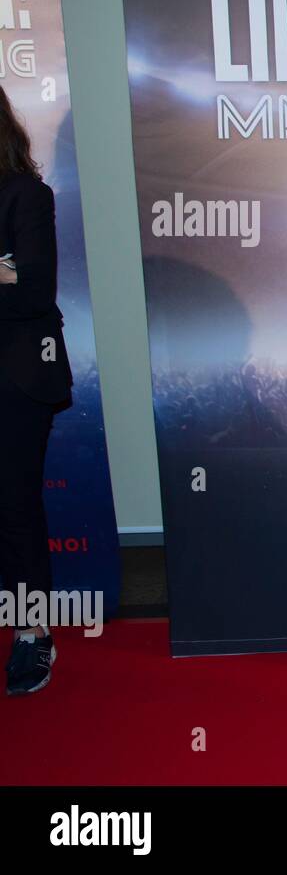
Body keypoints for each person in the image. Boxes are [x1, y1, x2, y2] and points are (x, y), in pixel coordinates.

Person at [0, 84, 73, 695]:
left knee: (13, 509)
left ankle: (32, 634)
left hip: (15, 377)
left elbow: (32, 287)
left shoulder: (26, 194)